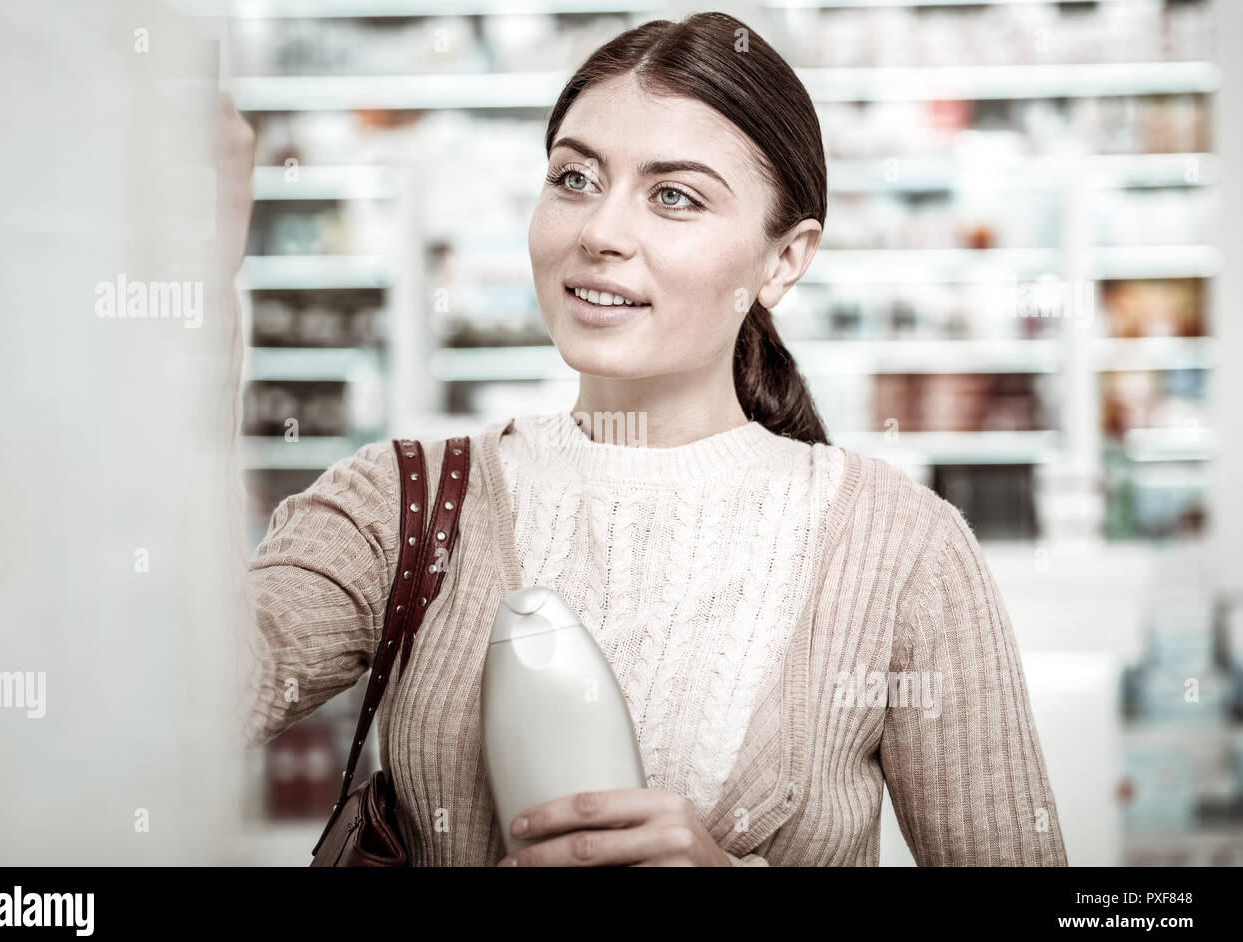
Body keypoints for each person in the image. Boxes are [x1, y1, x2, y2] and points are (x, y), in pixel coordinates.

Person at [230, 12, 1068, 867]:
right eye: (574, 178)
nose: (599, 231)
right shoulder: (400, 504)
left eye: (675, 196)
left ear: (783, 260)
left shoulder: (902, 550)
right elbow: (180, 696)